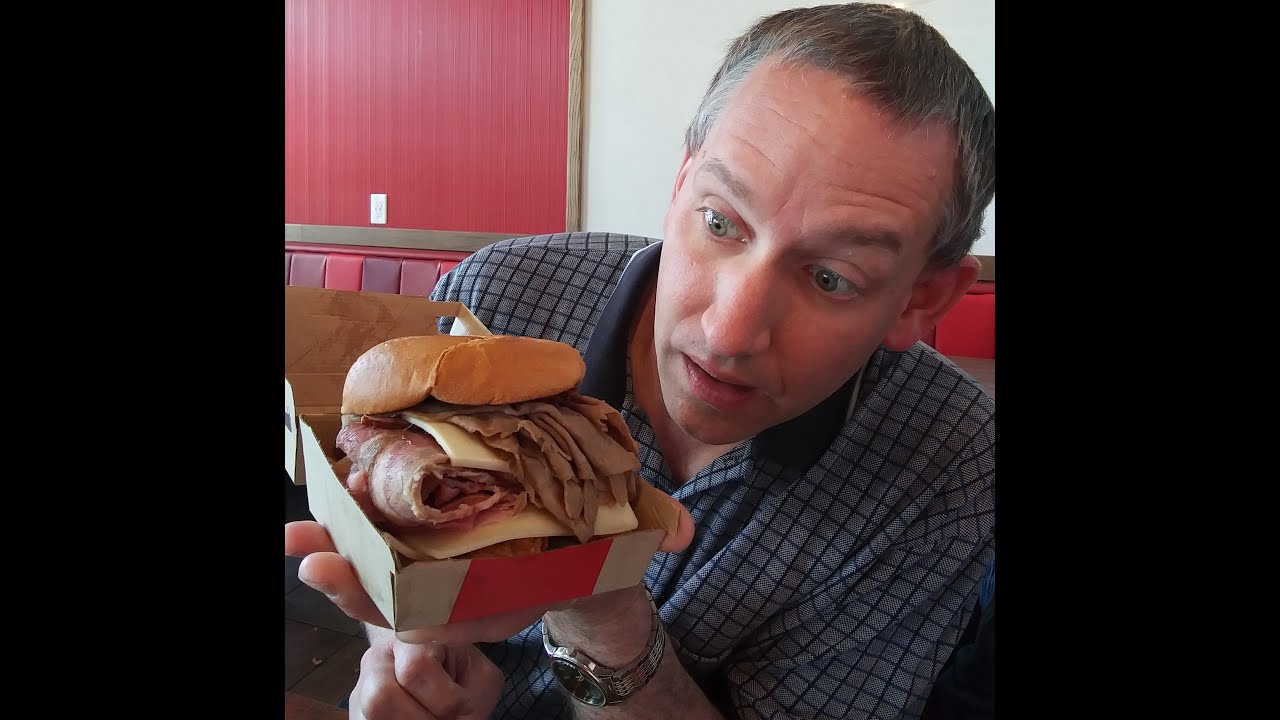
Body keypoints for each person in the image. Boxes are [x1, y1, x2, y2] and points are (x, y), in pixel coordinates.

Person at [284, 3, 996, 718]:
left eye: (832, 278)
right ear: (681, 182)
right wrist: (407, 651)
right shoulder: (496, 297)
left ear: (923, 298)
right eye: (719, 221)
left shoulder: (951, 464)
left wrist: (601, 606)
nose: (727, 333)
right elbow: (383, 508)